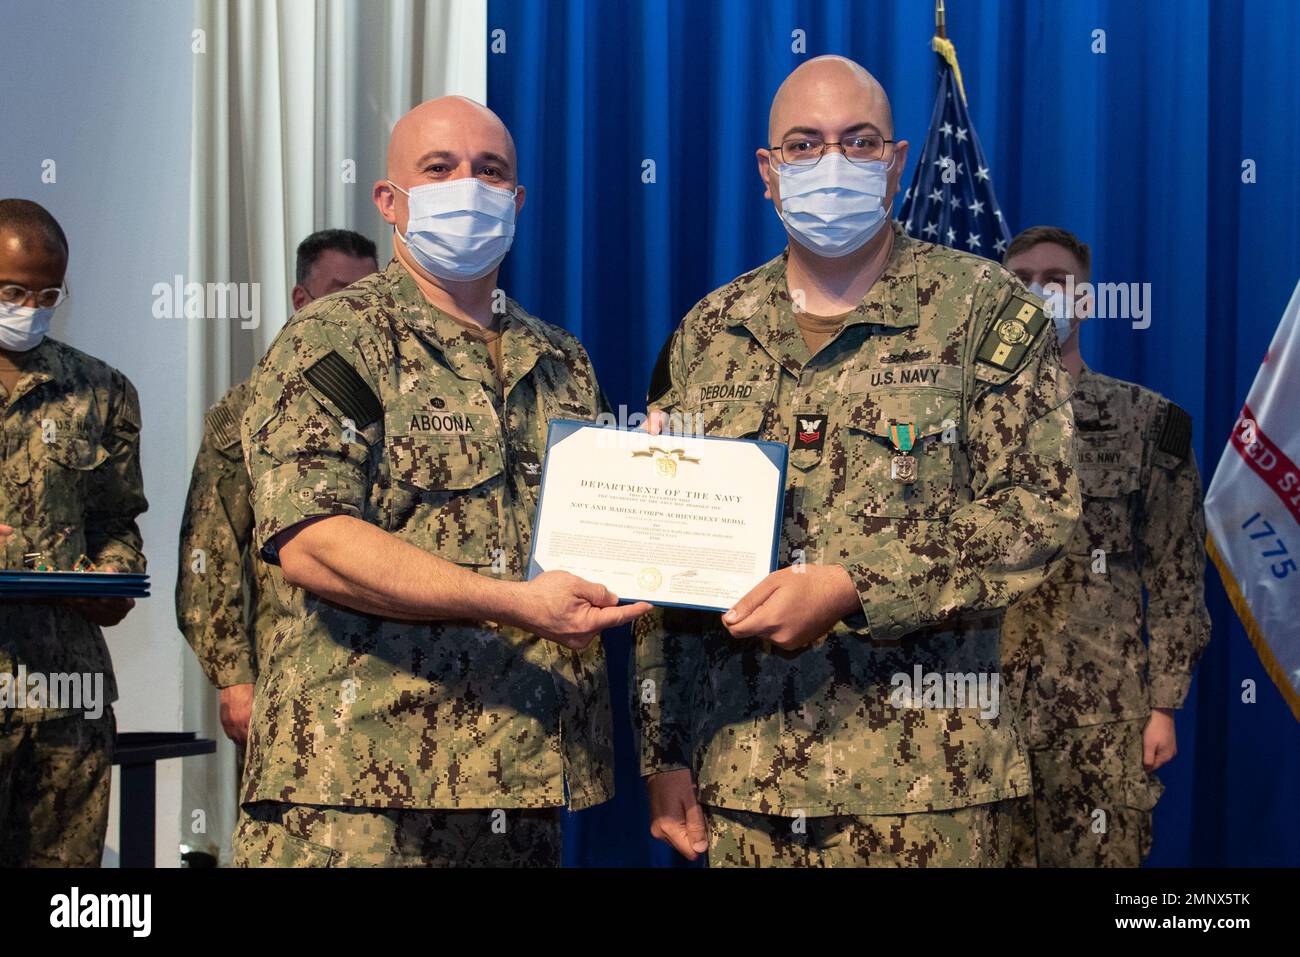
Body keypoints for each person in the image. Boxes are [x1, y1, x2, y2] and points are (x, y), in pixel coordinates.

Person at [635, 57, 1080, 867]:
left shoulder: (986, 310)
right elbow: (669, 574)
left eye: (858, 142)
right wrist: (662, 750)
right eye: (803, 146)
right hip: (747, 782)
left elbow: (1038, 515)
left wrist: (853, 585)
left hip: (926, 790)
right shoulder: (709, 331)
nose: (830, 165)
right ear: (768, 174)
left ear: (896, 162)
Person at [233, 96, 650, 867]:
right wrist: (514, 603)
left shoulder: (562, 360)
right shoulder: (331, 340)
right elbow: (313, 542)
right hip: (359, 793)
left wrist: (659, 488)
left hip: (518, 782)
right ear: (391, 201)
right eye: (441, 168)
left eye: (491, 171)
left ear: (517, 201)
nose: (471, 185)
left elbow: (594, 547)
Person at [1000, 225, 1210, 867]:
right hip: (977, 721)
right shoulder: (954, 427)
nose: (1040, 295)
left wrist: (1164, 705)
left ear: (1086, 301)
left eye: (1057, 283)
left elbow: (1178, 577)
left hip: (1103, 721)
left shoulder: (1147, 423)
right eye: (1021, 282)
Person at [176, 229, 378, 754]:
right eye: (340, 292)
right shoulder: (251, 407)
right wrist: (233, 677)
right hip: (289, 679)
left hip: (393, 677)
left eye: (370, 293)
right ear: (300, 300)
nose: (357, 309)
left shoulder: (400, 404)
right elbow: (209, 552)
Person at [0, 198, 148, 866]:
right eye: (13, 290)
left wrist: (115, 574)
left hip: (67, 696)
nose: (31, 305)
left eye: (48, 292)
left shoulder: (101, 389)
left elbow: (116, 522)